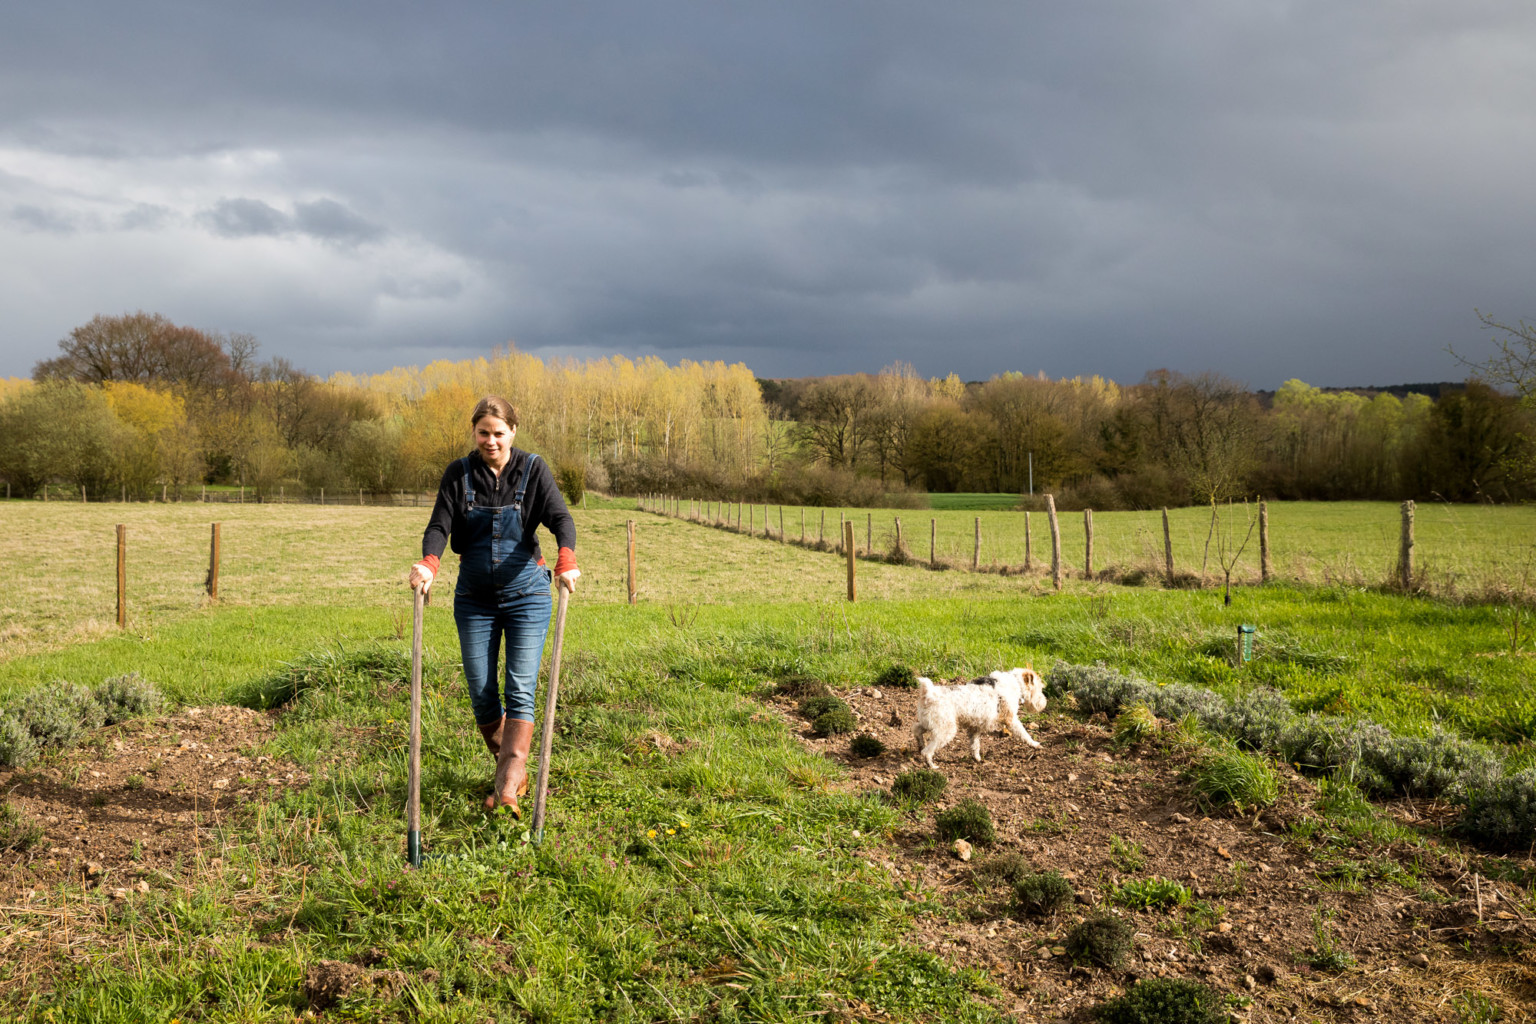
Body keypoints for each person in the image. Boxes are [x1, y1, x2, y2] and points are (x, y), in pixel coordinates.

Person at [407, 396, 579, 817]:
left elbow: (561, 518)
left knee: (520, 688)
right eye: (483, 433)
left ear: (513, 432)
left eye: (499, 433)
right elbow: (439, 525)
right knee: (482, 693)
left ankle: (506, 790)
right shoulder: (458, 474)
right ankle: (515, 775)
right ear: (474, 433)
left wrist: (567, 558)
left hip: (528, 595)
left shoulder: (533, 469)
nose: (491, 441)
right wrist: (430, 562)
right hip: (474, 599)